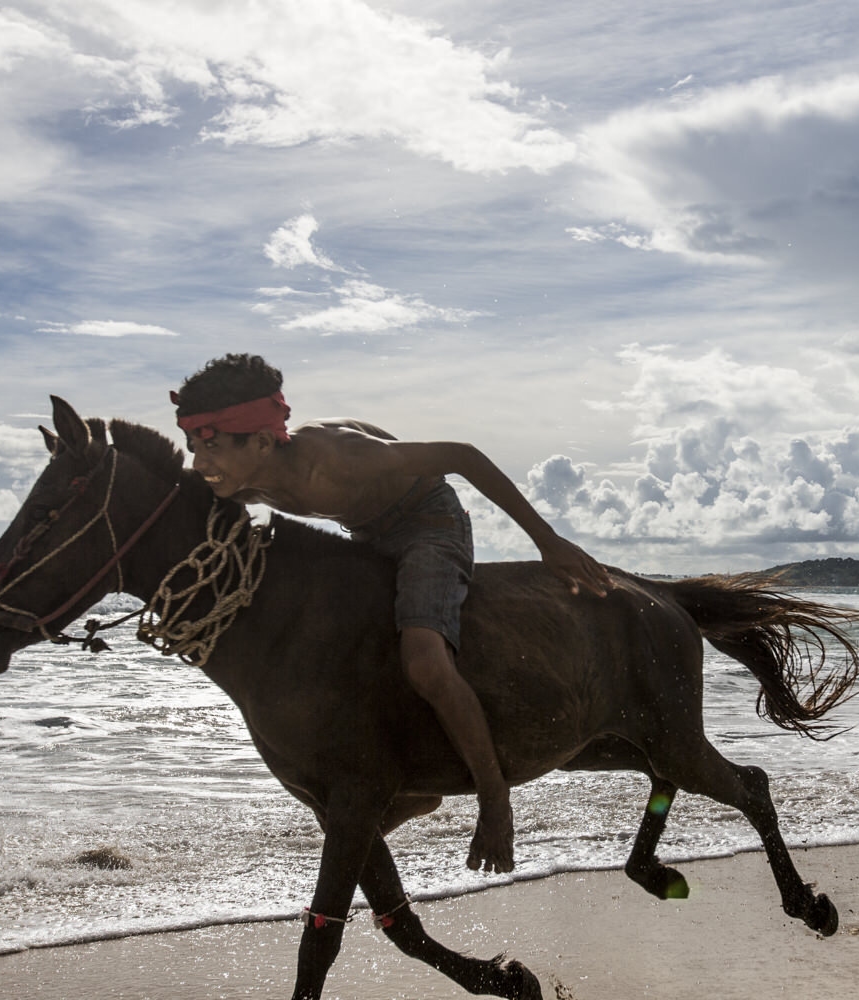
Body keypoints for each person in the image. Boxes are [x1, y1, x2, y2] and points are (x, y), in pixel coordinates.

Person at [170, 354, 611, 874]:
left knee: (425, 662)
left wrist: (548, 542)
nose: (200, 462)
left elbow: (464, 456)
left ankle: (494, 800)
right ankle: (409, 791)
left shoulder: (337, 457)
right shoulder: (234, 477)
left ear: (263, 442)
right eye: (194, 446)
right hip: (368, 540)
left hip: (430, 524)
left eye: (212, 446)